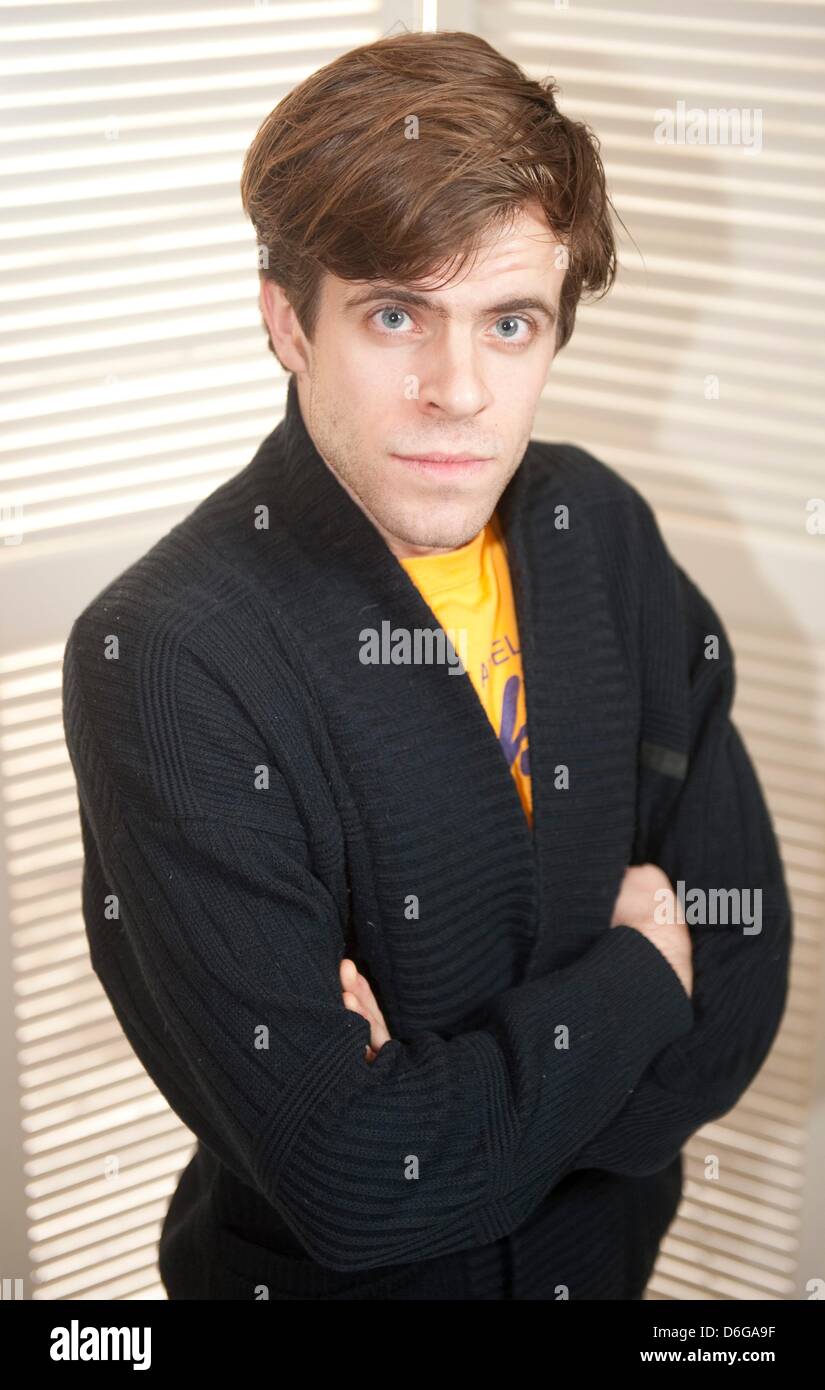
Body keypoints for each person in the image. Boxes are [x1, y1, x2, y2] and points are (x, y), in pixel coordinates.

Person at [61, 29, 791, 1300]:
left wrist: (463, 1132)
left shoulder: (601, 532)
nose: (458, 391)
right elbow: (351, 1176)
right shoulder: (170, 657)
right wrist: (632, 982)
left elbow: (741, 982)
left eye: (509, 322)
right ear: (288, 320)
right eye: (396, 313)